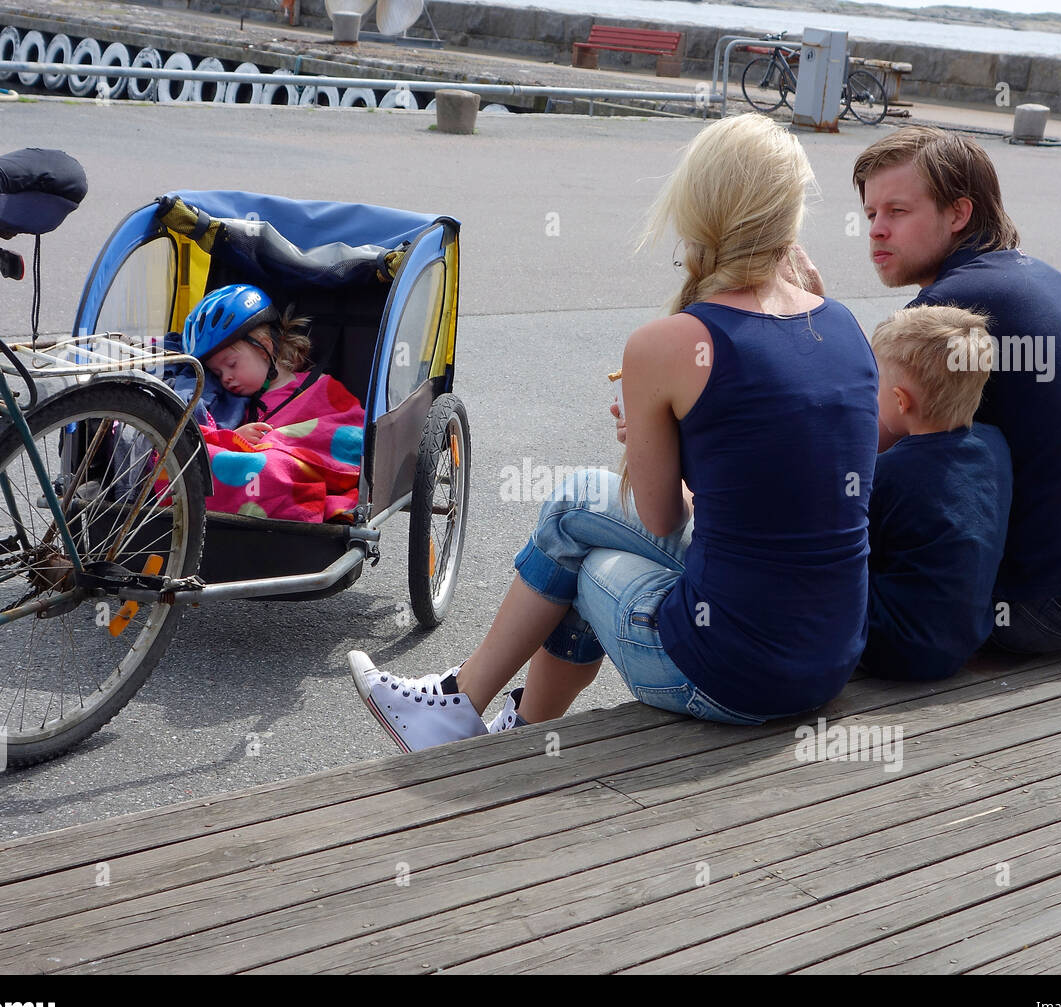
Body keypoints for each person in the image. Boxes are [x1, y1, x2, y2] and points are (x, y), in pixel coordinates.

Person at [346, 113, 879, 753]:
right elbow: (776, 497)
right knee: (576, 502)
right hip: (827, 657)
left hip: (730, 678)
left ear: (698, 207)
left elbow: (659, 517)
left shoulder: (671, 342)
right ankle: (494, 719)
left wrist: (653, 439)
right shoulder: (845, 326)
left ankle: (471, 709)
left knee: (586, 557)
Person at [850, 126, 1061, 654]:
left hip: (1031, 610)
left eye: (897, 212)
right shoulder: (1033, 277)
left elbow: (861, 452)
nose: (875, 230)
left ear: (958, 214)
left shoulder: (952, 312)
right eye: (871, 214)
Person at [862, 305, 1012, 680]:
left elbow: (854, 548)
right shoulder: (995, 446)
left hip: (894, 647)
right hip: (964, 641)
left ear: (900, 401)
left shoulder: (890, 472)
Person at [181, 284, 364, 523]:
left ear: (265, 347)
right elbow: (228, 442)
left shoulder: (320, 387)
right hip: (255, 468)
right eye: (217, 372)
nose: (225, 377)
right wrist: (233, 437)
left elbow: (351, 433)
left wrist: (273, 442)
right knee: (191, 458)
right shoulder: (234, 402)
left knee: (265, 467)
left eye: (232, 364)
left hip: (284, 464)